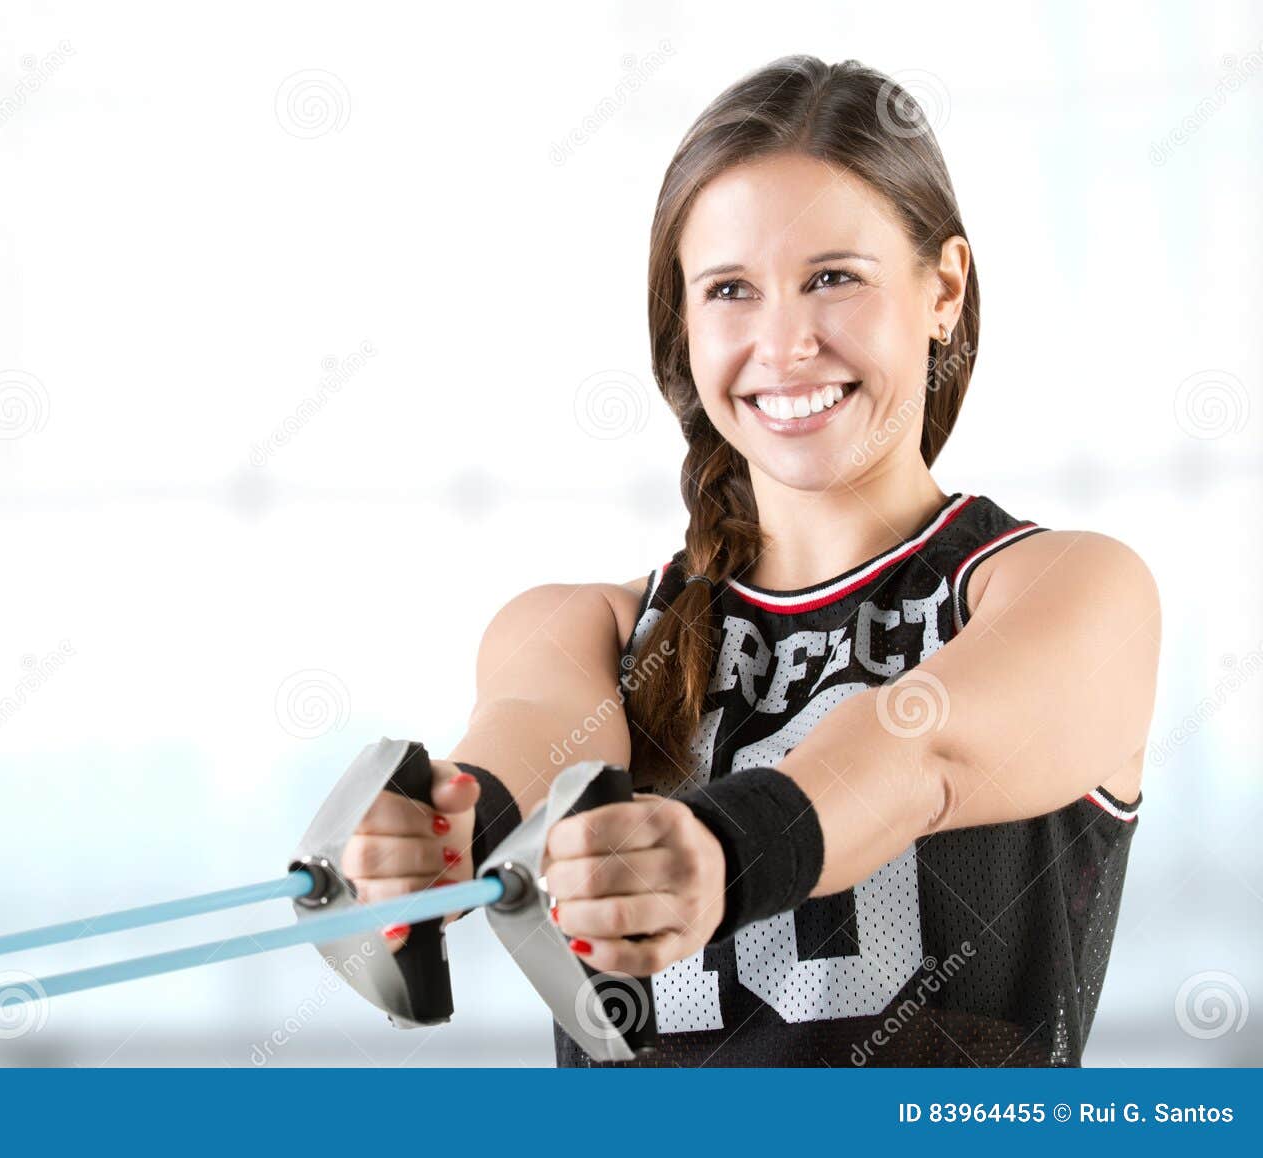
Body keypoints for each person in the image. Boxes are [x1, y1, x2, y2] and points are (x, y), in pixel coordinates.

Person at [343, 54, 1159, 1067]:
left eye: (833, 279)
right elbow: (533, 736)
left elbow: (922, 753)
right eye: (730, 290)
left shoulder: (1066, 588)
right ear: (684, 328)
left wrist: (727, 850)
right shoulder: (578, 626)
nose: (783, 344)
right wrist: (440, 831)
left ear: (943, 289)